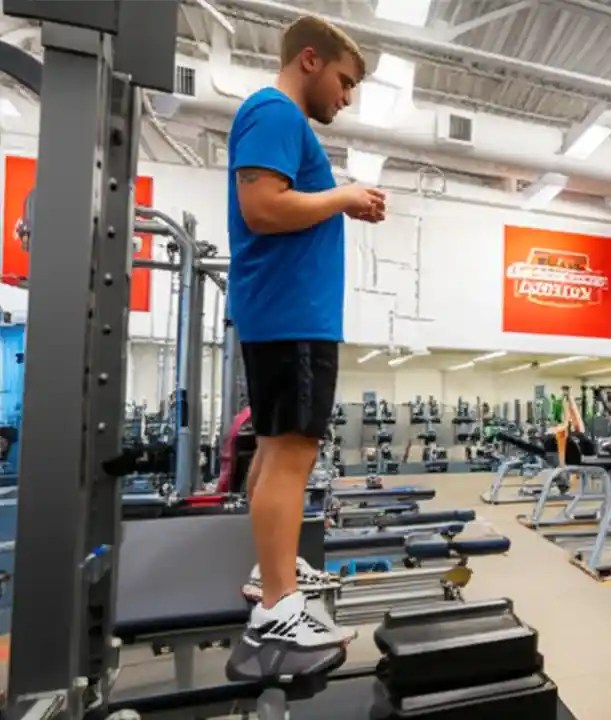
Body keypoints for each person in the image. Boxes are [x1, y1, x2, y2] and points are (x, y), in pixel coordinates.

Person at [227, 15, 387, 655]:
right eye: (345, 82)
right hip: (291, 315)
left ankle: (272, 573)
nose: (345, 98)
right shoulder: (274, 112)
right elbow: (262, 207)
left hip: (285, 313)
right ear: (311, 60)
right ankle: (278, 607)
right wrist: (344, 197)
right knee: (292, 454)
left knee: (275, 454)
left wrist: (341, 198)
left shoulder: (280, 120)